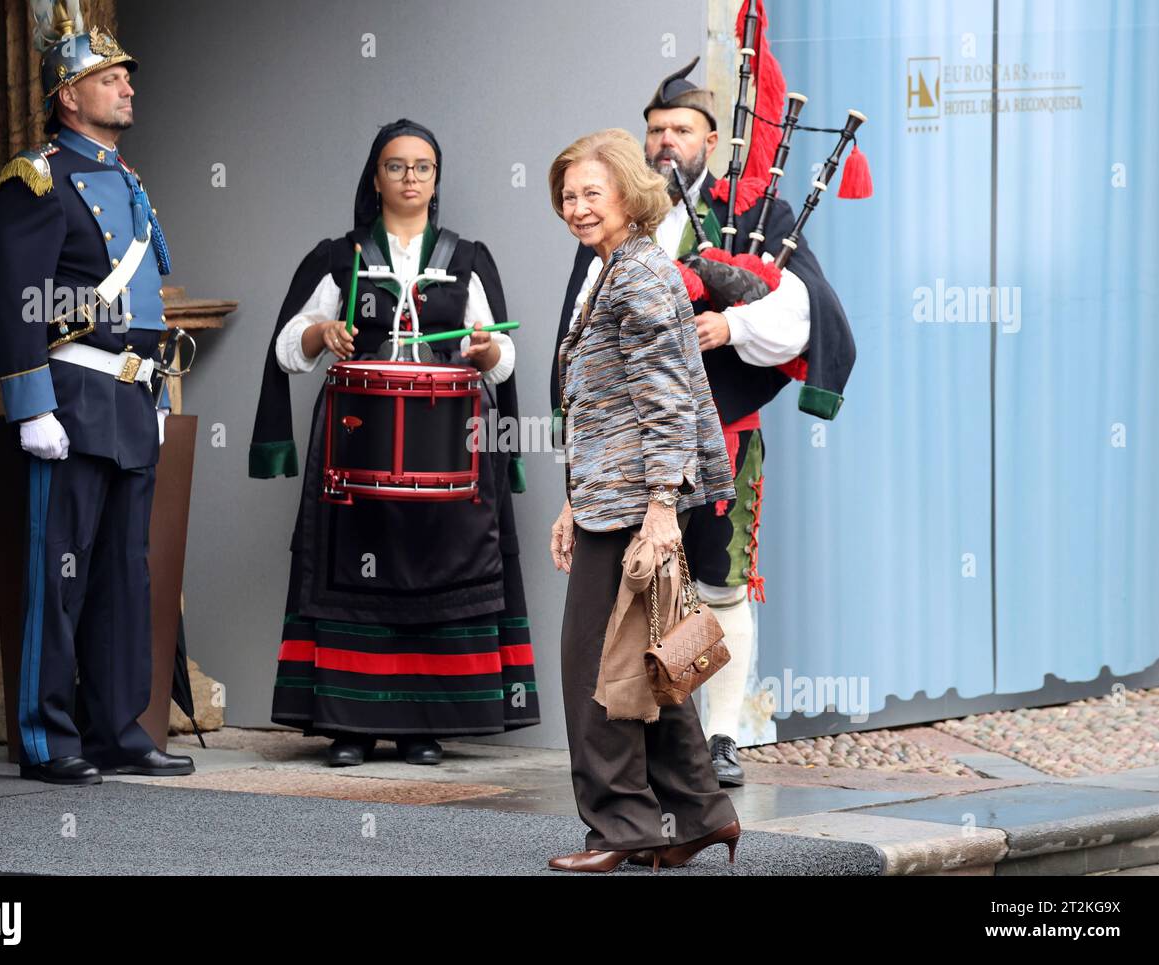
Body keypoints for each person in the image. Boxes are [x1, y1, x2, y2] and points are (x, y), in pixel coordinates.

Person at [548, 33, 855, 786]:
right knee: (650, 588)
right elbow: (579, 338)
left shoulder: (755, 211)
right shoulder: (619, 219)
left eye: (679, 129)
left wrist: (732, 324)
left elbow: (806, 310)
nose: (664, 142)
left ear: (710, 141)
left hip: (719, 433)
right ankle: (662, 741)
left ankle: (718, 736)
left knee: (716, 585)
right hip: (630, 449)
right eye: (654, 129)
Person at [249, 119, 540, 767]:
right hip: (355, 446)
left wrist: (491, 348)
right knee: (357, 577)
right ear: (375, 177)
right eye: (396, 166)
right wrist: (322, 334)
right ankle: (349, 724)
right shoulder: (340, 257)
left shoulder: (468, 260)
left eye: (423, 167)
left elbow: (501, 355)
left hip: (445, 450)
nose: (410, 178)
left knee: (433, 575)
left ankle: (421, 726)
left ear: (437, 180)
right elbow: (285, 345)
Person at [0, 7, 193, 784]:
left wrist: (161, 392)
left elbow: (146, 302)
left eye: (126, 75)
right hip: (71, 397)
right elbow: (15, 298)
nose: (127, 86)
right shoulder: (37, 177)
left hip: (133, 398)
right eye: (110, 78)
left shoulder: (126, 178)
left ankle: (118, 727)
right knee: (60, 571)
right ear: (69, 96)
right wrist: (30, 404)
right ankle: (48, 735)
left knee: (122, 574)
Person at [546, 128, 741, 873]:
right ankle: (701, 812)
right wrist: (572, 503)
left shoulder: (634, 275)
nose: (577, 207)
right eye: (567, 195)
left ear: (629, 192)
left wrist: (661, 507)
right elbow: (606, 404)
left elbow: (664, 402)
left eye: (592, 192)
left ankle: (623, 827)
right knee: (646, 660)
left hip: (637, 500)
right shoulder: (619, 268)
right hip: (614, 495)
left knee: (594, 665)